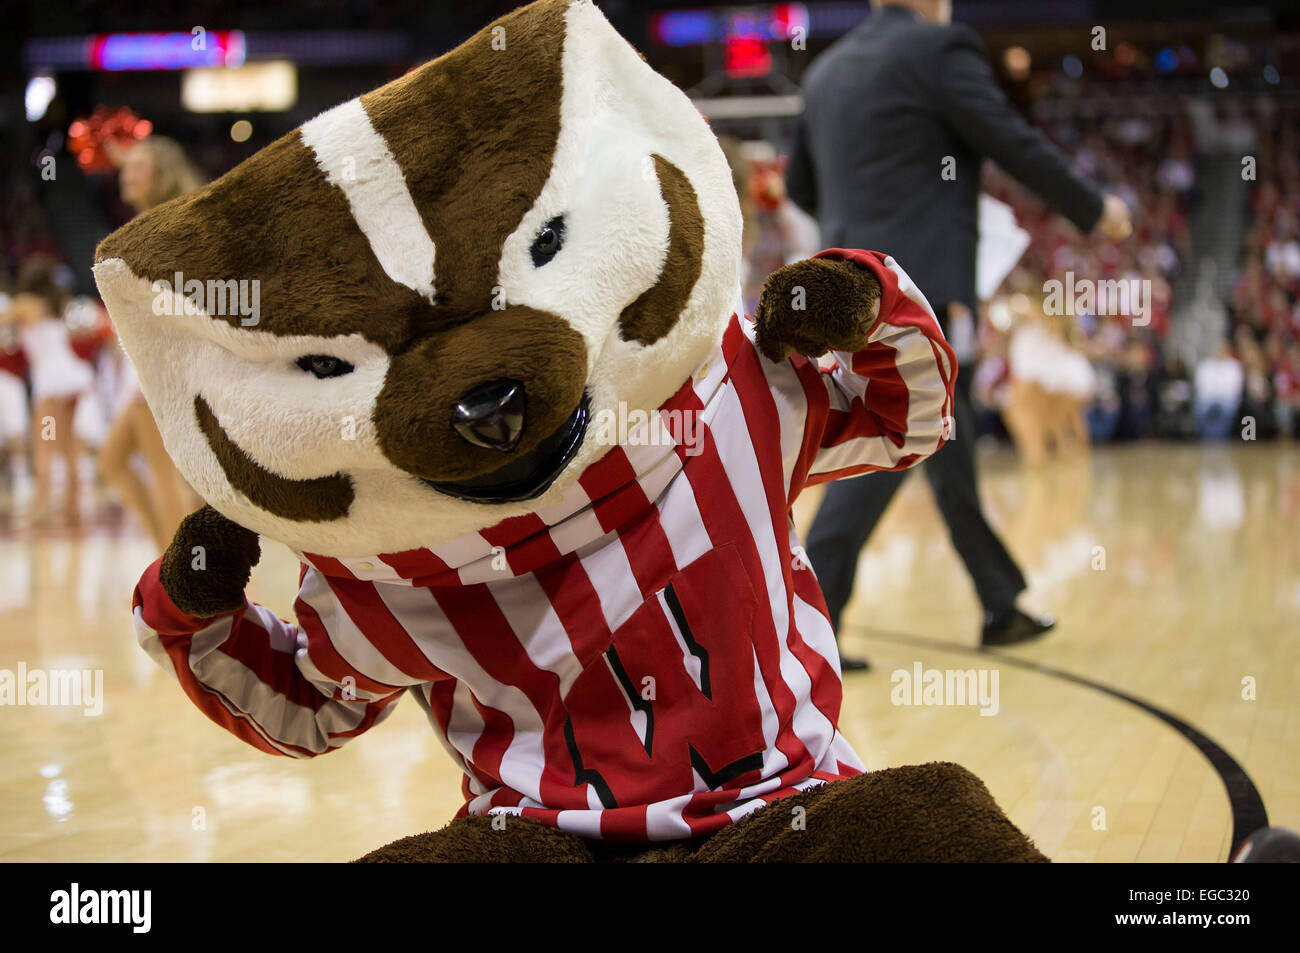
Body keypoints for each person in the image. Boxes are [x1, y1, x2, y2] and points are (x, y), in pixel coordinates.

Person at [786, 0, 1133, 666]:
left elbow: (805, 185)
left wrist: (857, 230)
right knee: (896, 433)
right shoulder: (937, 51)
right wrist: (1094, 207)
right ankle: (811, 625)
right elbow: (1009, 138)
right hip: (908, 289)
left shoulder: (826, 73)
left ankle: (1001, 603)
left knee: (947, 436)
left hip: (845, 279)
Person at [97, 136, 205, 550]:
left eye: (137, 166)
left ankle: (183, 582)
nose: (126, 172)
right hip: (155, 363)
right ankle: (174, 561)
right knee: (111, 461)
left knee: (166, 476)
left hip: (166, 365)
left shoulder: (167, 225)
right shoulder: (154, 221)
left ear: (158, 175)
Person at [1, 256, 94, 528]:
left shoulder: (26, 305)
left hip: (52, 385)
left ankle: (41, 507)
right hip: (74, 380)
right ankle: (73, 507)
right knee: (66, 445)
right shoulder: (58, 303)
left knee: (44, 444)